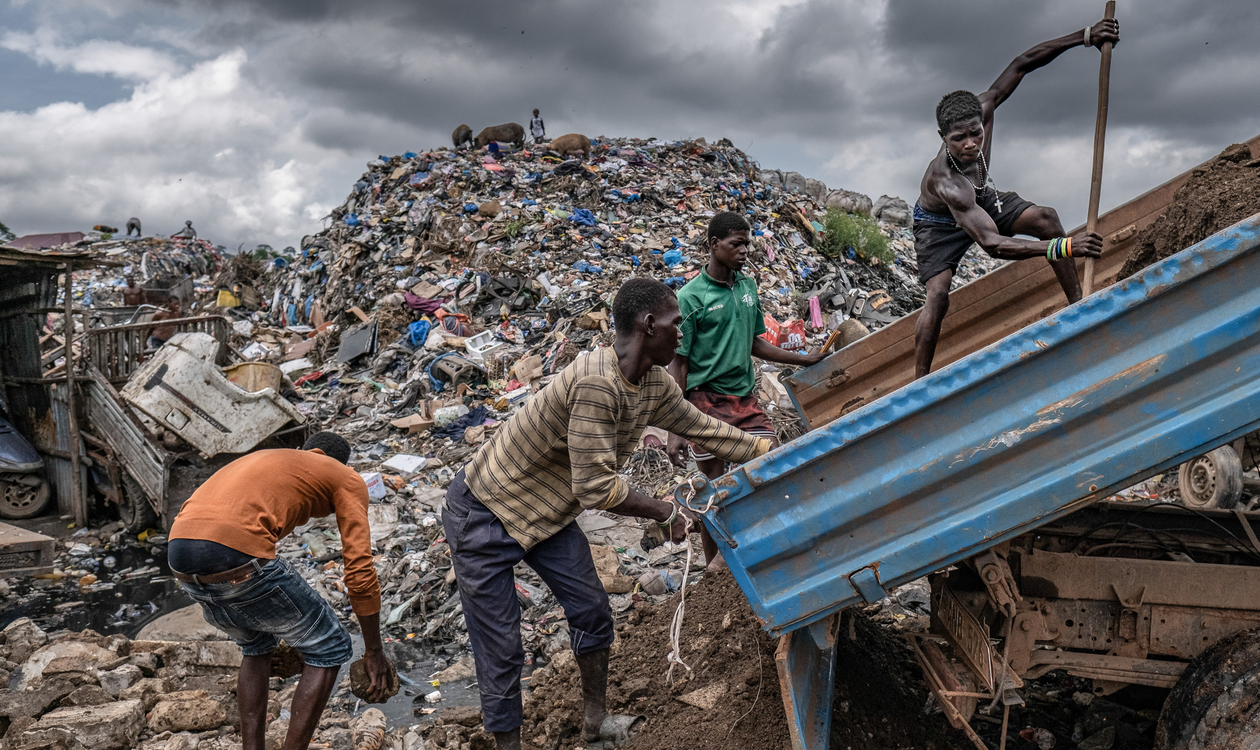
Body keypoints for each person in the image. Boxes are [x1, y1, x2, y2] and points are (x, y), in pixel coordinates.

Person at [442, 277, 773, 750]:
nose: (682, 334)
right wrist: (664, 512)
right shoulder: (598, 382)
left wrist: (770, 452)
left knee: (592, 611)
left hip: (548, 512)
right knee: (502, 648)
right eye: (676, 323)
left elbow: (702, 426)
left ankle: (595, 721)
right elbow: (595, 486)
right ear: (648, 325)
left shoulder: (652, 383)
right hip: (486, 511)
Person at [911, 17, 1119, 379]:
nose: (971, 144)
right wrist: (1065, 247)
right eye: (959, 139)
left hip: (981, 197)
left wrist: (1086, 36)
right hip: (939, 224)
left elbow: (1023, 63)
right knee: (938, 295)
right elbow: (993, 245)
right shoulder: (947, 182)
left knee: (1046, 219)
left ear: (982, 120)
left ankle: (1079, 306)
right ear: (942, 137)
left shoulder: (984, 106)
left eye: (975, 133)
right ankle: (919, 381)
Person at [167, 432, 394, 750]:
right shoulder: (344, 476)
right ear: (338, 462)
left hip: (179, 556)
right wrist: (373, 651)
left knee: (256, 645)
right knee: (330, 645)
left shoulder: (274, 460)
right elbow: (359, 570)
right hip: (233, 553)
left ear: (306, 451)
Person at [666, 211, 826, 568]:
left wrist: (803, 359)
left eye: (747, 244)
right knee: (710, 488)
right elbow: (679, 364)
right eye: (736, 244)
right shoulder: (690, 297)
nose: (744, 251)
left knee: (770, 465)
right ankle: (715, 570)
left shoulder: (747, 287)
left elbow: (756, 342)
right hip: (704, 403)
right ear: (714, 245)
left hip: (744, 399)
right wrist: (674, 428)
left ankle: (761, 554)